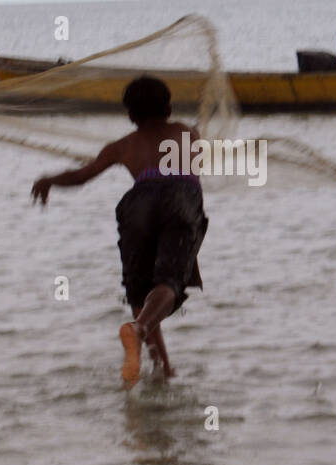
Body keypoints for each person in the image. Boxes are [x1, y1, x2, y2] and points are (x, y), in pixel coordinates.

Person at [30, 76, 208, 386]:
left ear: (129, 115)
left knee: (139, 288)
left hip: (138, 204)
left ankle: (160, 367)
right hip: (179, 200)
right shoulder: (185, 133)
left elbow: (82, 176)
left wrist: (49, 180)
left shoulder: (122, 146)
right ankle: (139, 331)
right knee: (169, 282)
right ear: (168, 108)